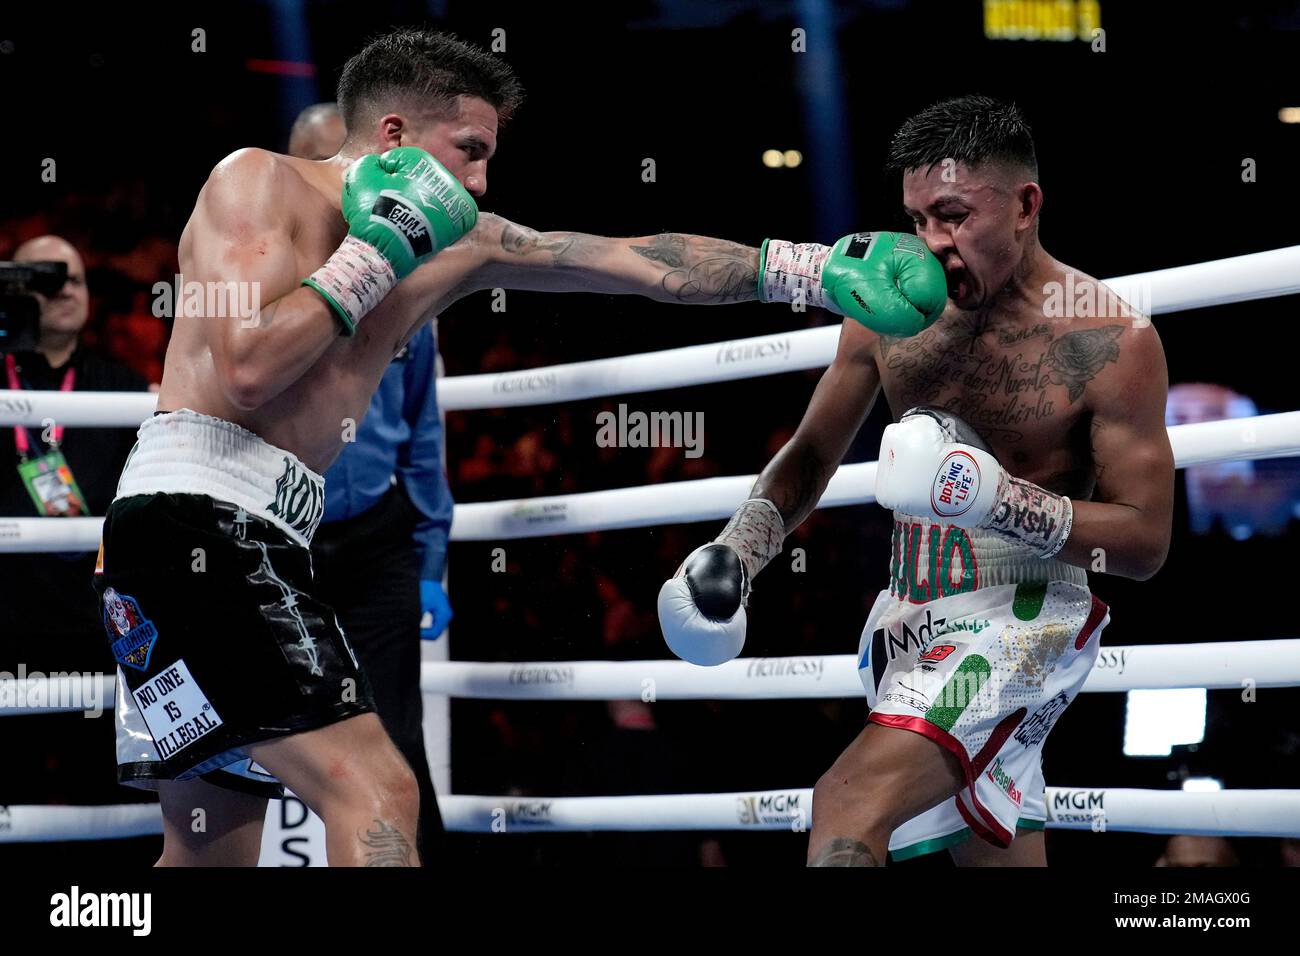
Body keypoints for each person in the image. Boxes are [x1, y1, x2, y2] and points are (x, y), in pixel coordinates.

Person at [95, 26, 942, 866]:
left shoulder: (458, 242)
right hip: (196, 522)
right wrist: (375, 250)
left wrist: (805, 269)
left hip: (250, 534)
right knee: (377, 794)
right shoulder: (259, 180)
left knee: (210, 844)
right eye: (467, 149)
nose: (480, 178)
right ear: (394, 137)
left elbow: (635, 261)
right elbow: (247, 369)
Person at [659, 95, 1175, 866]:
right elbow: (809, 454)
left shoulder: (1107, 340)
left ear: (1026, 204)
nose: (931, 243)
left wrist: (995, 498)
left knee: (848, 802)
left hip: (1026, 614)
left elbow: (1144, 542)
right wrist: (740, 549)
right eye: (917, 218)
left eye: (954, 215)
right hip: (908, 611)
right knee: (989, 855)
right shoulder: (887, 310)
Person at [289, 100, 454, 861]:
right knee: (277, 740)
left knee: (397, 739)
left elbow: (422, 433)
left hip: (377, 538)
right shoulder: (262, 278)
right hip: (277, 540)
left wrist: (428, 560)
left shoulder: (408, 283)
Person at [0, 236, 148, 674]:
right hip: (8, 611)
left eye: (77, 281)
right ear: (13, 289)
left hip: (93, 614)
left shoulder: (124, 385)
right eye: (49, 279)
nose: (66, 290)